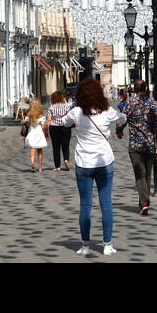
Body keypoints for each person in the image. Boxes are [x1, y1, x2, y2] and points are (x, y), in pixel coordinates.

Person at [56, 78, 127, 256]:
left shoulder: (77, 112)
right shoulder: (106, 111)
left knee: (85, 205)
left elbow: (64, 121)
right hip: (104, 162)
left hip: (83, 163)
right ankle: (107, 244)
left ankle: (86, 245)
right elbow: (121, 118)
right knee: (106, 203)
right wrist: (121, 119)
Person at [123, 79, 157, 214]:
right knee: (147, 173)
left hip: (135, 145)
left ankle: (144, 201)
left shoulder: (129, 105)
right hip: (150, 144)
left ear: (134, 90)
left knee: (140, 174)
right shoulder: (153, 104)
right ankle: (144, 201)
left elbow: (122, 121)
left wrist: (119, 131)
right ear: (146, 88)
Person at [48, 90, 73, 171]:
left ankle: (57, 166)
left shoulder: (51, 107)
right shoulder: (66, 106)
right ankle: (66, 159)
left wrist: (47, 129)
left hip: (54, 127)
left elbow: (49, 119)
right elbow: (69, 116)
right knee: (66, 145)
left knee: (56, 147)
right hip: (65, 127)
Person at [24, 97, 48, 172]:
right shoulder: (41, 114)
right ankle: (40, 168)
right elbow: (43, 127)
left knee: (32, 150)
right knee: (40, 151)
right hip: (39, 132)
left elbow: (27, 125)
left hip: (32, 132)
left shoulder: (29, 113)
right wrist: (44, 133)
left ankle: (32, 165)